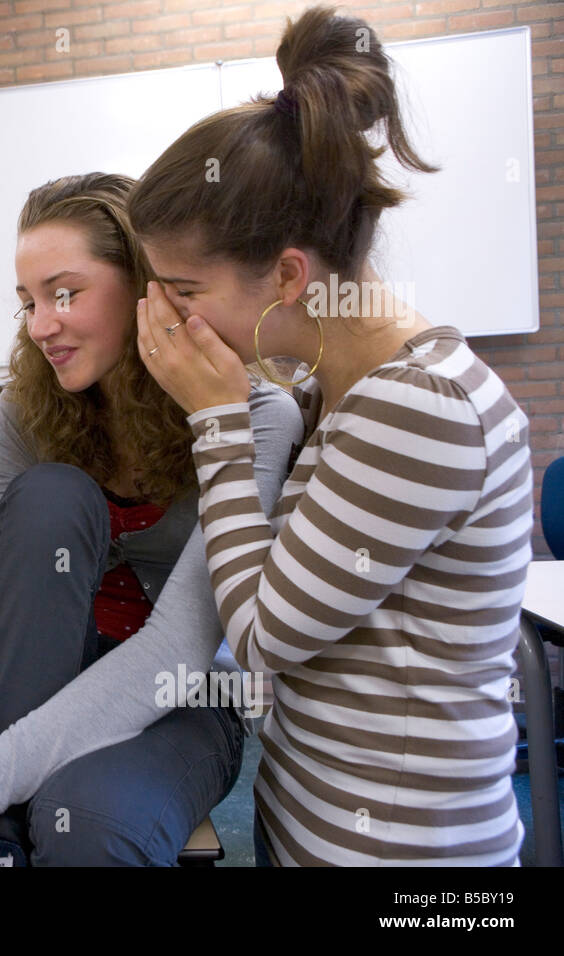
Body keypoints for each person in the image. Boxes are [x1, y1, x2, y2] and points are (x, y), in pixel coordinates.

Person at [129, 6, 531, 866]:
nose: (164, 317)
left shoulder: (419, 407)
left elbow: (265, 633)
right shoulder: (343, 391)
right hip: (315, 823)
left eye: (184, 290)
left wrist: (215, 418)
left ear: (285, 276)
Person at [0, 174, 304, 866]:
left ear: (146, 285)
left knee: (87, 827)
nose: (42, 324)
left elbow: (180, 648)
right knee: (50, 496)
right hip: (40, 673)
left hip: (179, 698)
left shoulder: (254, 418)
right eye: (28, 303)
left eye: (64, 293)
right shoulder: (29, 407)